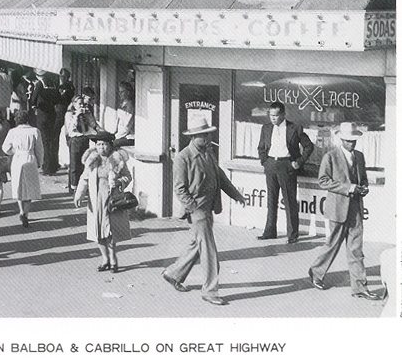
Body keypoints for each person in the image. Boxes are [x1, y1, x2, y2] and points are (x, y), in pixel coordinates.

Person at [162, 116, 246, 306]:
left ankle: (173, 273)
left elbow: (220, 176)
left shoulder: (208, 152)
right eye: (203, 136)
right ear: (193, 137)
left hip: (209, 207)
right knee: (209, 250)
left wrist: (236, 195)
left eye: (208, 135)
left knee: (197, 245)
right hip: (197, 209)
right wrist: (193, 208)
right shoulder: (183, 158)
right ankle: (210, 290)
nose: (207, 139)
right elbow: (180, 189)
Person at [308, 123, 381, 300]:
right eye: (348, 141)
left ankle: (359, 287)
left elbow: (362, 180)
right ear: (341, 139)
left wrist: (363, 188)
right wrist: (348, 187)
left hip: (355, 209)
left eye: (354, 140)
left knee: (356, 249)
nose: (352, 144)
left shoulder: (360, 157)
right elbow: (323, 181)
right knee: (332, 244)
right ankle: (316, 272)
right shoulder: (330, 157)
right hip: (337, 208)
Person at [257, 101, 314, 244]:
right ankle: (270, 231)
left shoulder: (295, 128)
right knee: (271, 200)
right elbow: (261, 147)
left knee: (289, 202)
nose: (273, 118)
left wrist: (298, 162)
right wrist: (265, 161)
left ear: (283, 114)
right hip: (271, 165)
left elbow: (308, 146)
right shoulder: (266, 128)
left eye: (276, 115)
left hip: (287, 165)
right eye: (271, 115)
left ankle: (292, 235)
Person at [74, 132, 131, 273]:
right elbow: (84, 178)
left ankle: (113, 259)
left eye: (104, 144)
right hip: (96, 198)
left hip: (112, 199)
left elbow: (128, 177)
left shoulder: (117, 159)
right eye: (99, 144)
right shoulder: (92, 160)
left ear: (110, 145)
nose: (102, 148)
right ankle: (104, 259)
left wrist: (118, 181)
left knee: (110, 230)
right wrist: (79, 194)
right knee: (97, 230)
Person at [2, 109, 43, 227]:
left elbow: (5, 147)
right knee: (30, 187)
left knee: (19, 186)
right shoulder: (34, 131)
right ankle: (26, 212)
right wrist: (40, 161)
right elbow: (39, 149)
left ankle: (20, 210)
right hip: (30, 158)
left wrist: (13, 151)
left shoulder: (12, 132)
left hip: (18, 159)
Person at [63, 95, 99, 191]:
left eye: (83, 103)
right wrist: (77, 115)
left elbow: (93, 125)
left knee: (84, 164)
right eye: (79, 104)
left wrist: (89, 116)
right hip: (75, 140)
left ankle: (82, 187)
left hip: (84, 139)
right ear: (74, 104)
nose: (81, 106)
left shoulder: (86, 113)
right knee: (74, 165)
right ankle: (73, 187)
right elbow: (71, 128)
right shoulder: (69, 114)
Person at [29, 69, 58, 174]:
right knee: (51, 140)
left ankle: (46, 167)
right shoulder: (53, 84)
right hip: (52, 114)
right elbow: (57, 98)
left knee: (44, 141)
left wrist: (34, 106)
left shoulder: (40, 84)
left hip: (42, 114)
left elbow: (33, 99)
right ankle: (53, 166)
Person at [113, 81, 135, 148]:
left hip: (129, 137)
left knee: (111, 144)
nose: (120, 94)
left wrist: (116, 137)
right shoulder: (122, 105)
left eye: (122, 92)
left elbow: (127, 127)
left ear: (128, 92)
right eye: (119, 92)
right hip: (121, 135)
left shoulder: (130, 106)